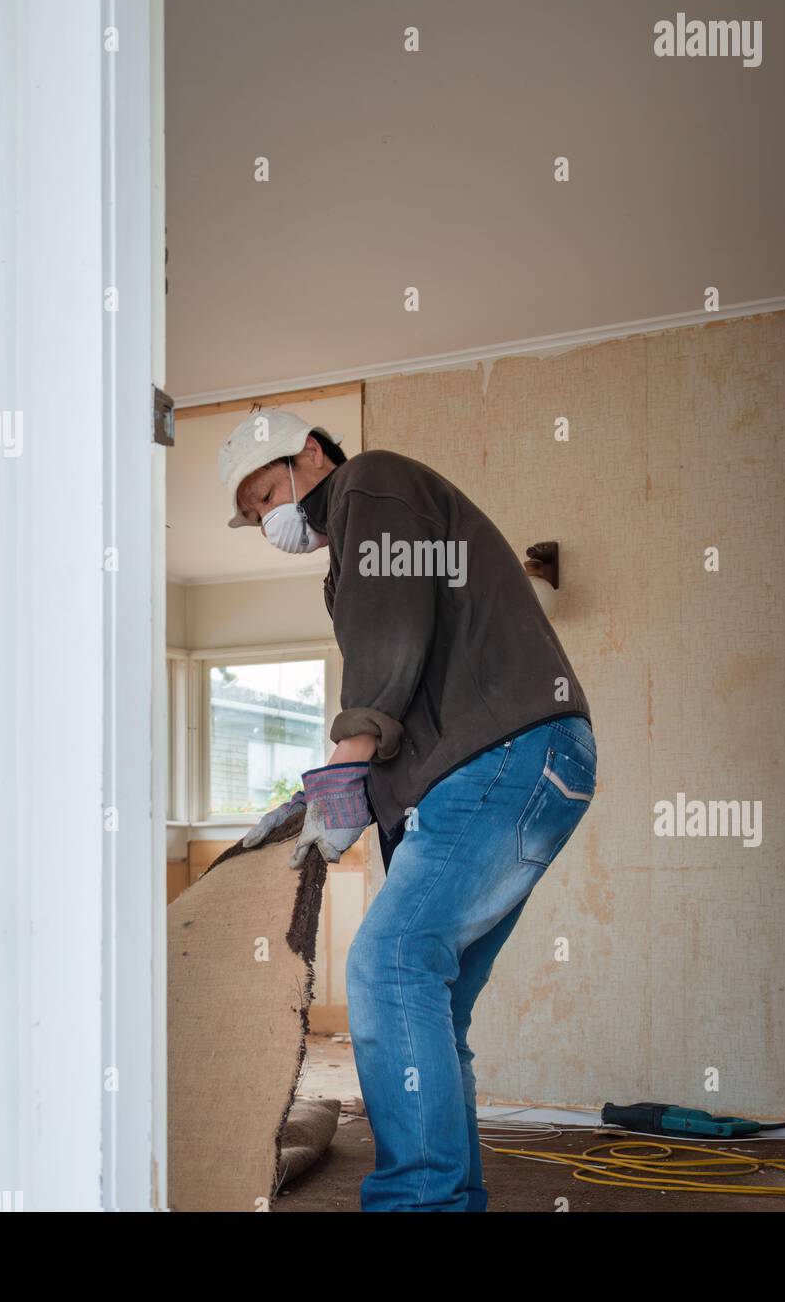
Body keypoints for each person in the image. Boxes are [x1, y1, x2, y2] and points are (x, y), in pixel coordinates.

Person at [218, 408, 596, 1212]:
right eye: (252, 515)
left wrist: (348, 759)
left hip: (503, 756)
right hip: (528, 764)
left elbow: (389, 632)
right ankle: (446, 1198)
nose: (266, 521)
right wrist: (317, 799)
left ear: (312, 455)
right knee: (430, 991)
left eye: (264, 494)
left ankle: (419, 1204)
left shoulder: (370, 482)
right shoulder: (365, 524)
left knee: (387, 962)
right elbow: (407, 665)